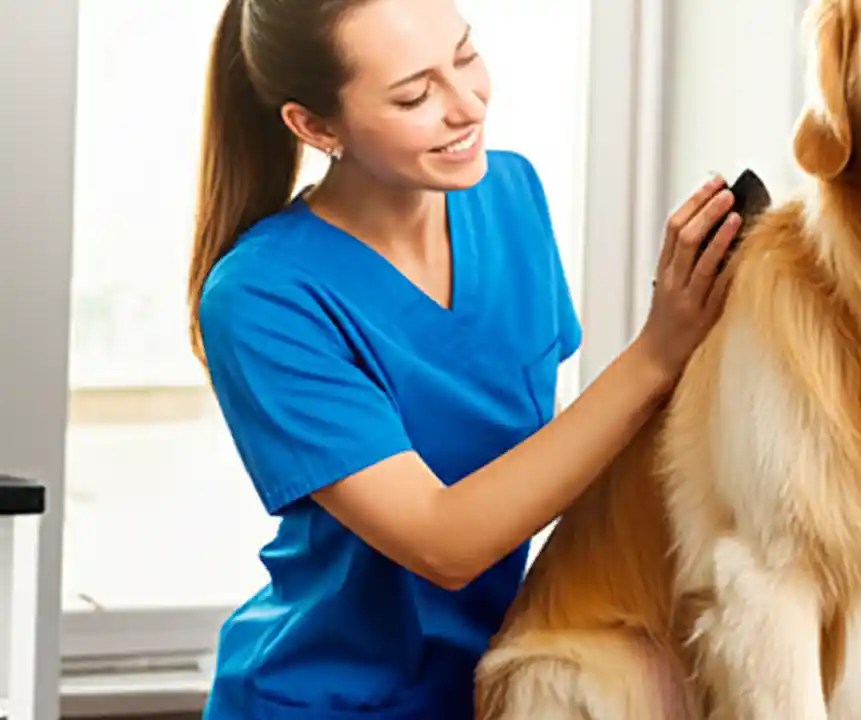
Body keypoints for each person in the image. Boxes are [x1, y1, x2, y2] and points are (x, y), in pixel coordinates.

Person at [188, 0, 742, 717]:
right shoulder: (263, 296)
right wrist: (657, 351)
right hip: (326, 700)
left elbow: (556, 458)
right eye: (416, 94)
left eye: (465, 55)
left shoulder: (510, 195)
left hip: (507, 680)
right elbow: (444, 542)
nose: (466, 104)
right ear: (316, 126)